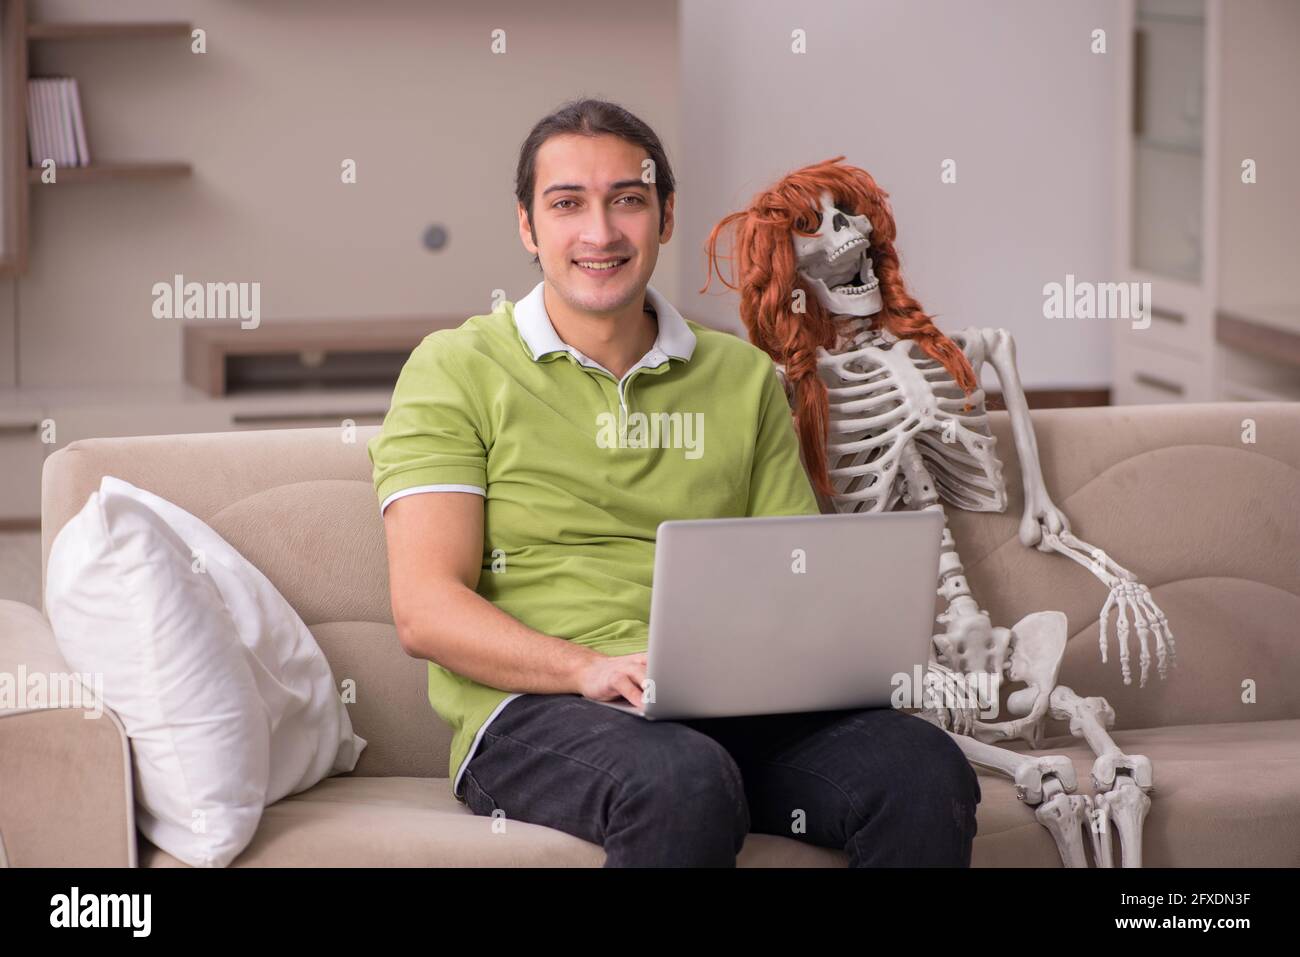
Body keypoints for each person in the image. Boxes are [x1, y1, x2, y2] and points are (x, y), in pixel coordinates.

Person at [368, 97, 980, 867]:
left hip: (727, 710)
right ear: (527, 226)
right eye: (567, 204)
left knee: (919, 768)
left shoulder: (742, 376)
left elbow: (790, 574)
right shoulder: (454, 368)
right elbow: (426, 609)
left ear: (664, 218)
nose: (600, 232)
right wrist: (585, 667)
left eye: (627, 200)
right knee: (683, 777)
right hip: (541, 711)